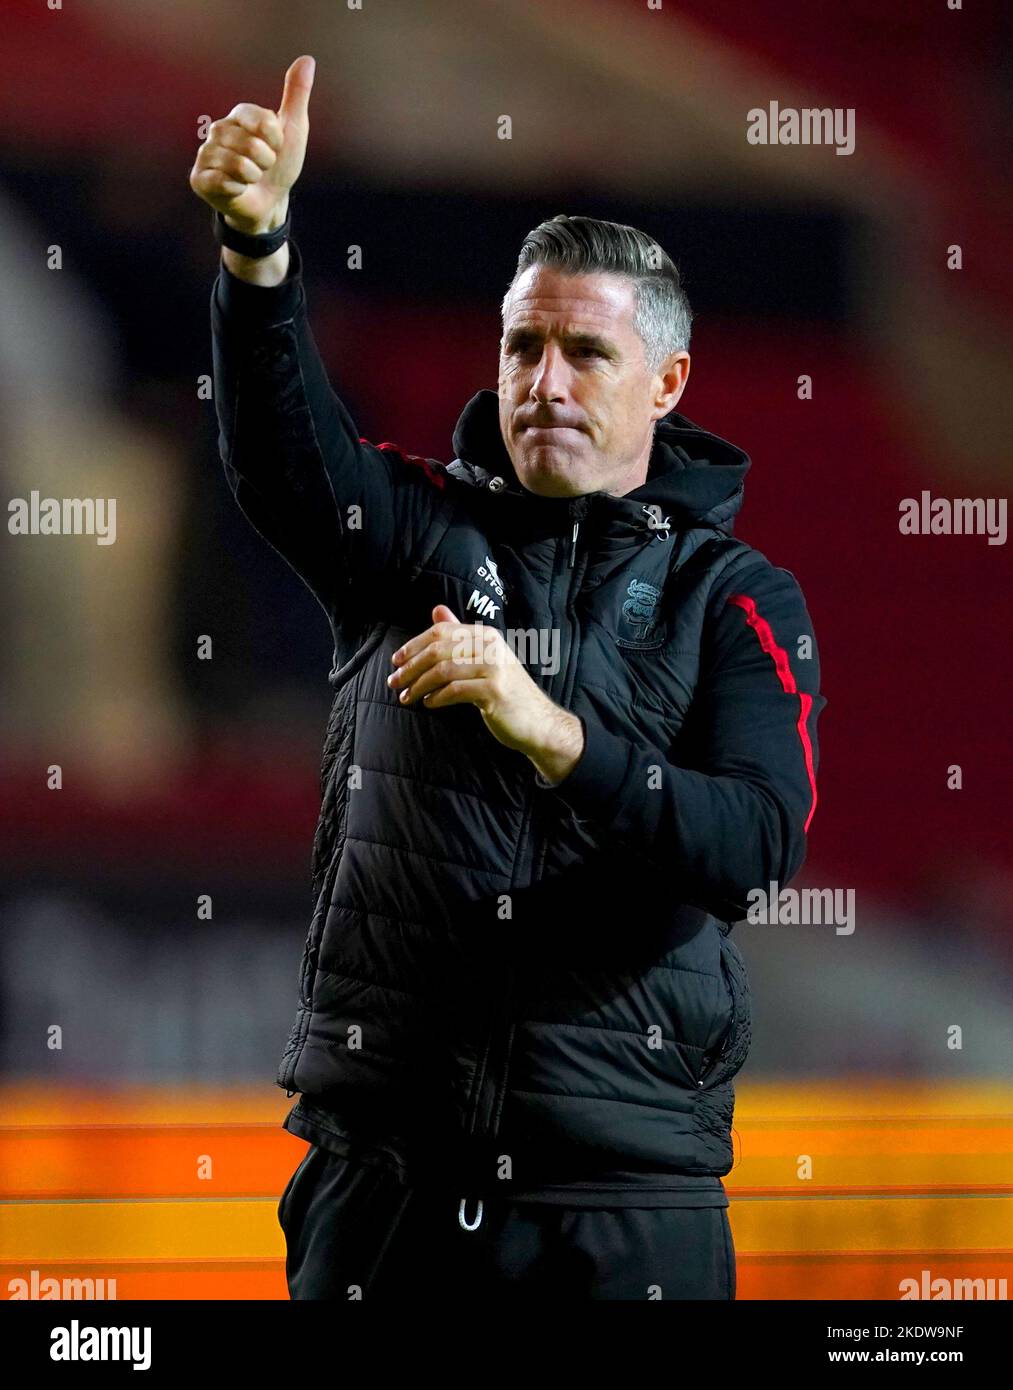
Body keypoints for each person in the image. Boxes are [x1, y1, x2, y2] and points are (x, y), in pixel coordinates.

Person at [190, 55, 825, 1301]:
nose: (541, 385)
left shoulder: (736, 598)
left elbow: (753, 842)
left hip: (622, 1201)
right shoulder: (412, 531)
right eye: (520, 345)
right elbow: (279, 455)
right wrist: (258, 249)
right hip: (384, 1185)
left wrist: (557, 735)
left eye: (583, 352)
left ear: (667, 382)